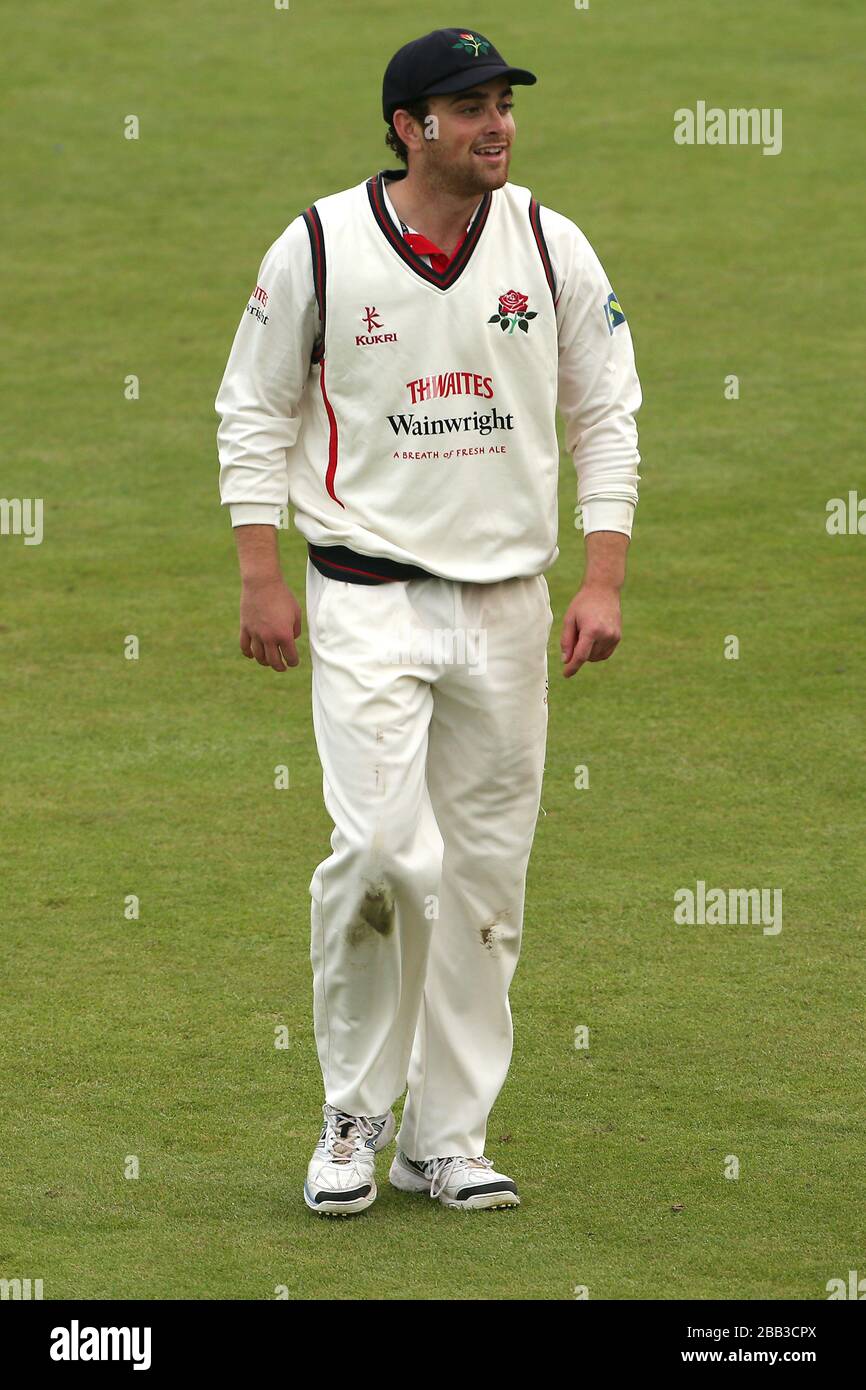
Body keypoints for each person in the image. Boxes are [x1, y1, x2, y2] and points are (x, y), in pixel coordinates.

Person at [215, 26, 642, 1215]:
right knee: (382, 859)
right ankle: (351, 1114)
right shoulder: (318, 244)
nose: (495, 125)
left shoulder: (550, 246)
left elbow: (608, 414)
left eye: (502, 102)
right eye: (469, 107)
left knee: (486, 882)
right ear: (409, 127)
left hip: (507, 609)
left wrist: (600, 575)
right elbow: (250, 411)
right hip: (364, 596)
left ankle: (444, 1138)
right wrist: (261, 573)